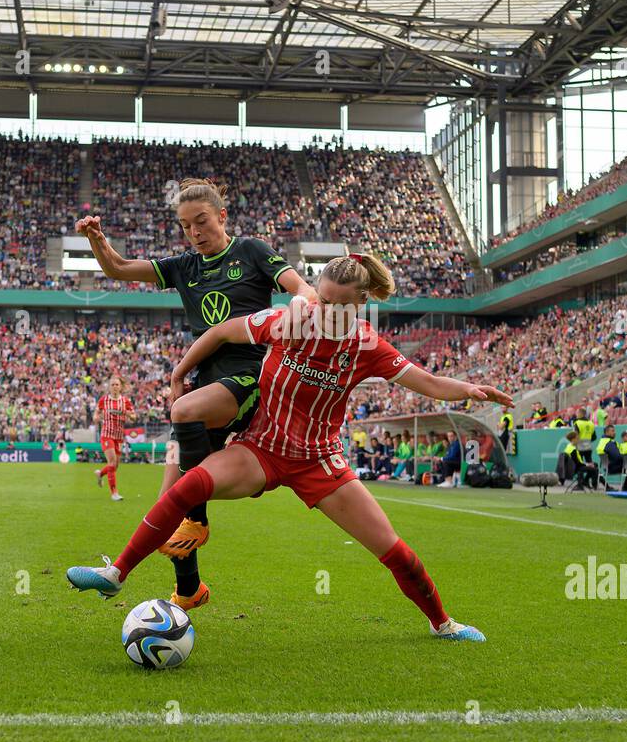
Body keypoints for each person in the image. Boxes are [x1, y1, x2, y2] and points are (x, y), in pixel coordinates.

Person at [67, 254, 513, 642]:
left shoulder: (366, 346)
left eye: (340, 305)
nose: (327, 311)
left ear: (361, 304)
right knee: (188, 486)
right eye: (323, 300)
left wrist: (471, 389)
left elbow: (430, 383)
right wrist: (179, 374)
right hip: (261, 449)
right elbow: (221, 331)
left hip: (319, 461)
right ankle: (116, 574)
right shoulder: (288, 322)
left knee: (393, 550)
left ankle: (443, 623)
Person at [75, 178, 316, 610]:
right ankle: (182, 589)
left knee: (183, 412)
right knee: (171, 499)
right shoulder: (185, 266)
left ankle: (198, 520)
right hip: (207, 382)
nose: (195, 233)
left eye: (201, 222)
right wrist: (98, 240)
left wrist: (300, 303)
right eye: (186, 226)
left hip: (248, 378)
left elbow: (304, 288)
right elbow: (118, 269)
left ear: (222, 216)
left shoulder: (253, 252)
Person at [95, 376, 133, 501]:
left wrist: (126, 413)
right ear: (109, 387)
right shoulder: (104, 400)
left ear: (120, 387)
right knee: (111, 462)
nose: (115, 387)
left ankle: (100, 474)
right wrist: (96, 418)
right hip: (107, 434)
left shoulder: (125, 401)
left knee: (115, 466)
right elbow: (96, 414)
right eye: (112, 385)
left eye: (117, 384)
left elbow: (134, 417)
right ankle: (114, 493)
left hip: (119, 436)